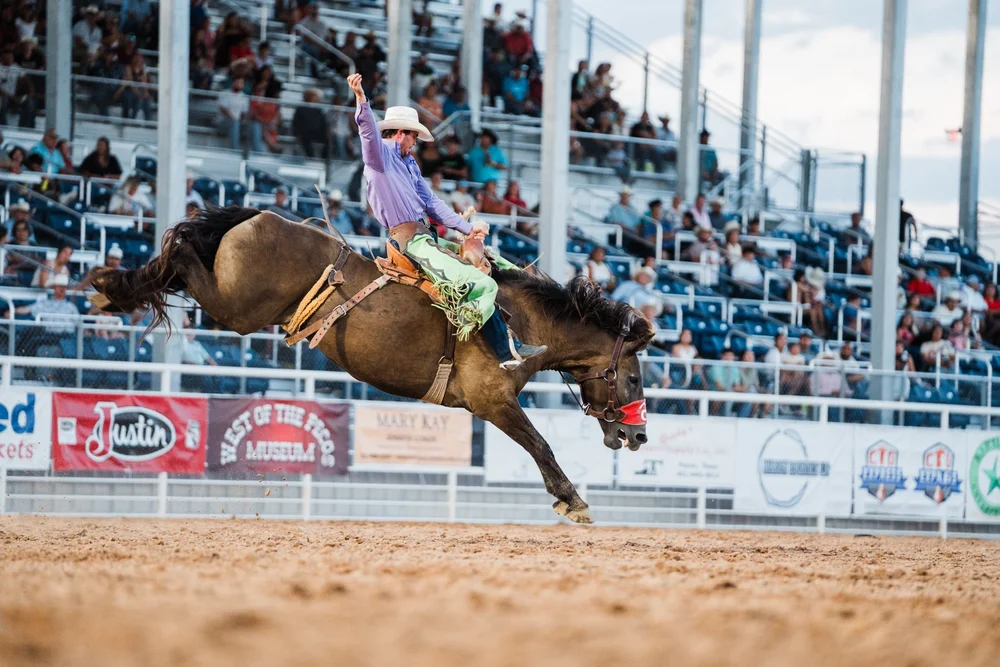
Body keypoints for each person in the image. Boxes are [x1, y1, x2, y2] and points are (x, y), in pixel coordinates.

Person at [348, 72, 544, 369]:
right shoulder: (380, 157)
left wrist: (467, 228)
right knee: (476, 281)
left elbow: (431, 202)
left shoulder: (408, 162)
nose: (415, 142)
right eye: (413, 135)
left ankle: (532, 307)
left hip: (423, 238)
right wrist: (362, 100)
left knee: (498, 263)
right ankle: (502, 351)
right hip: (408, 241)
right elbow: (368, 133)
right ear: (400, 132)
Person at [4, 273, 79, 335]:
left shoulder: (71, 306)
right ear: (54, 288)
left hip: (69, 338)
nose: (62, 289)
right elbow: (27, 309)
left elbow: (79, 323)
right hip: (50, 337)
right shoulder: (45, 303)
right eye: (59, 286)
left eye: (64, 287)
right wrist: (12, 311)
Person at [292, 88, 329, 159]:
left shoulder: (319, 110)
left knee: (328, 139)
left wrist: (326, 131)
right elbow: (296, 122)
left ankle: (324, 158)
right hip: (304, 132)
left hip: (317, 132)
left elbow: (323, 123)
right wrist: (296, 134)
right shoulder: (300, 108)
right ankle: (310, 157)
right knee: (305, 138)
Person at [217, 76, 249, 150]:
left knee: (251, 126)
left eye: (241, 83)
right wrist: (234, 119)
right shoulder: (224, 93)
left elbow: (244, 113)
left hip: (237, 124)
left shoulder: (244, 97)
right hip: (223, 122)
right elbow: (223, 109)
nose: (239, 84)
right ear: (233, 82)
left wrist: (242, 120)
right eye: (237, 82)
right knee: (234, 122)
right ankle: (234, 150)